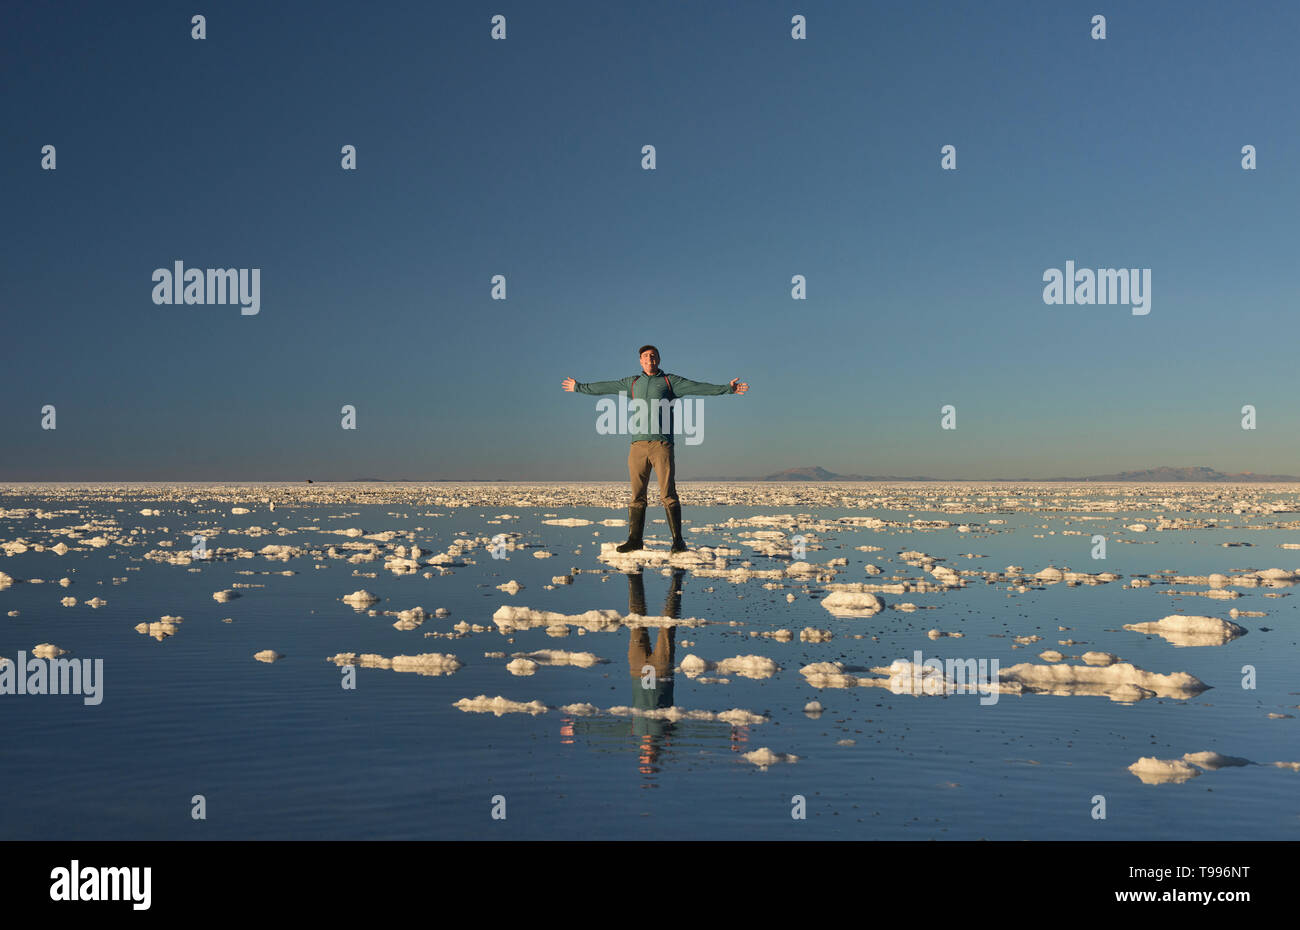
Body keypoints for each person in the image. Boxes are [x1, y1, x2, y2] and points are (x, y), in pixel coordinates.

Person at [562, 345, 747, 552]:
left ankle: (678, 542)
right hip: (637, 446)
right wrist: (579, 387)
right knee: (637, 494)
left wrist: (727, 388)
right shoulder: (632, 383)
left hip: (662, 445)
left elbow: (698, 387)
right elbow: (605, 387)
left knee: (668, 493)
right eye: (645, 356)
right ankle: (635, 540)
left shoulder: (670, 382)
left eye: (653, 355)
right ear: (640, 361)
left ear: (658, 359)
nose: (649, 358)